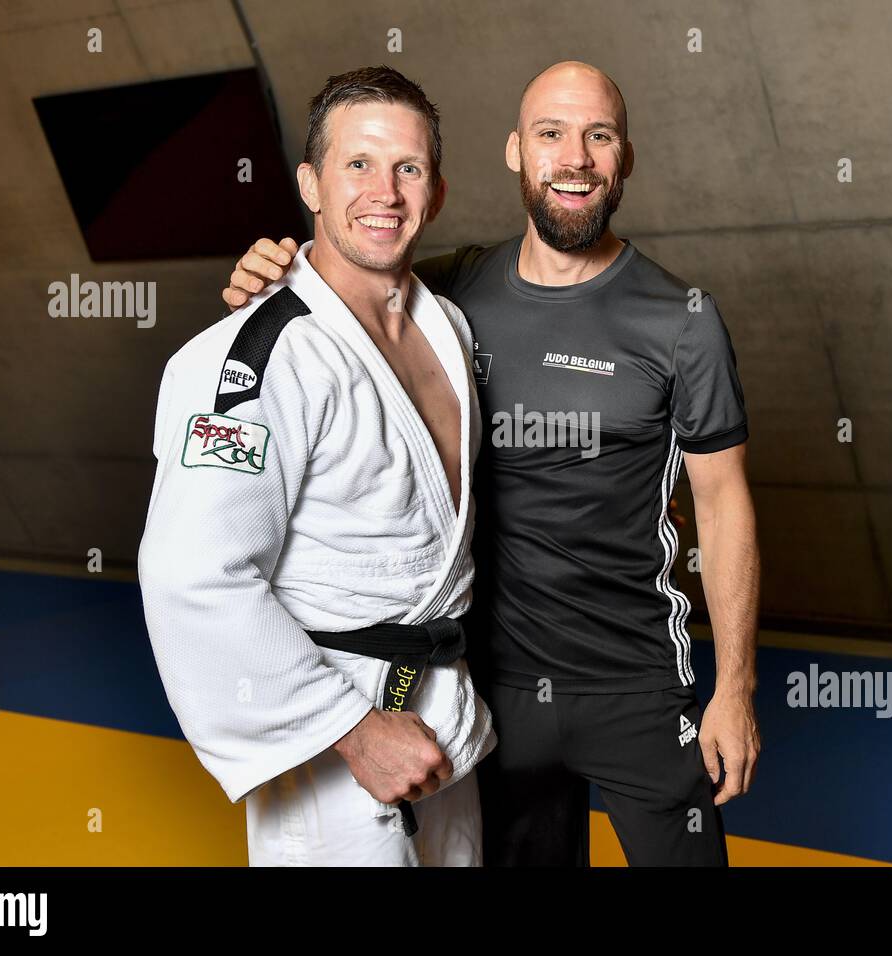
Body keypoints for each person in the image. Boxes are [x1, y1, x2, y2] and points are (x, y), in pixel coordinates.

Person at [223, 61, 760, 867]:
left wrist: (736, 690)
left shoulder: (681, 321)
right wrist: (274, 269)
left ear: (626, 158)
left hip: (640, 690)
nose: (574, 156)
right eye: (551, 134)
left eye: (599, 136)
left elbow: (723, 509)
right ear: (516, 152)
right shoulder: (449, 294)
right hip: (492, 694)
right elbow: (345, 280)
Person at [138, 65, 495, 866]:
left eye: (409, 168)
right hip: (335, 744)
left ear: (435, 192)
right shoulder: (254, 355)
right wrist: (354, 733)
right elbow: (192, 572)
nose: (385, 192)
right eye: (358, 165)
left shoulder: (452, 332)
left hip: (442, 721)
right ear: (311, 184)